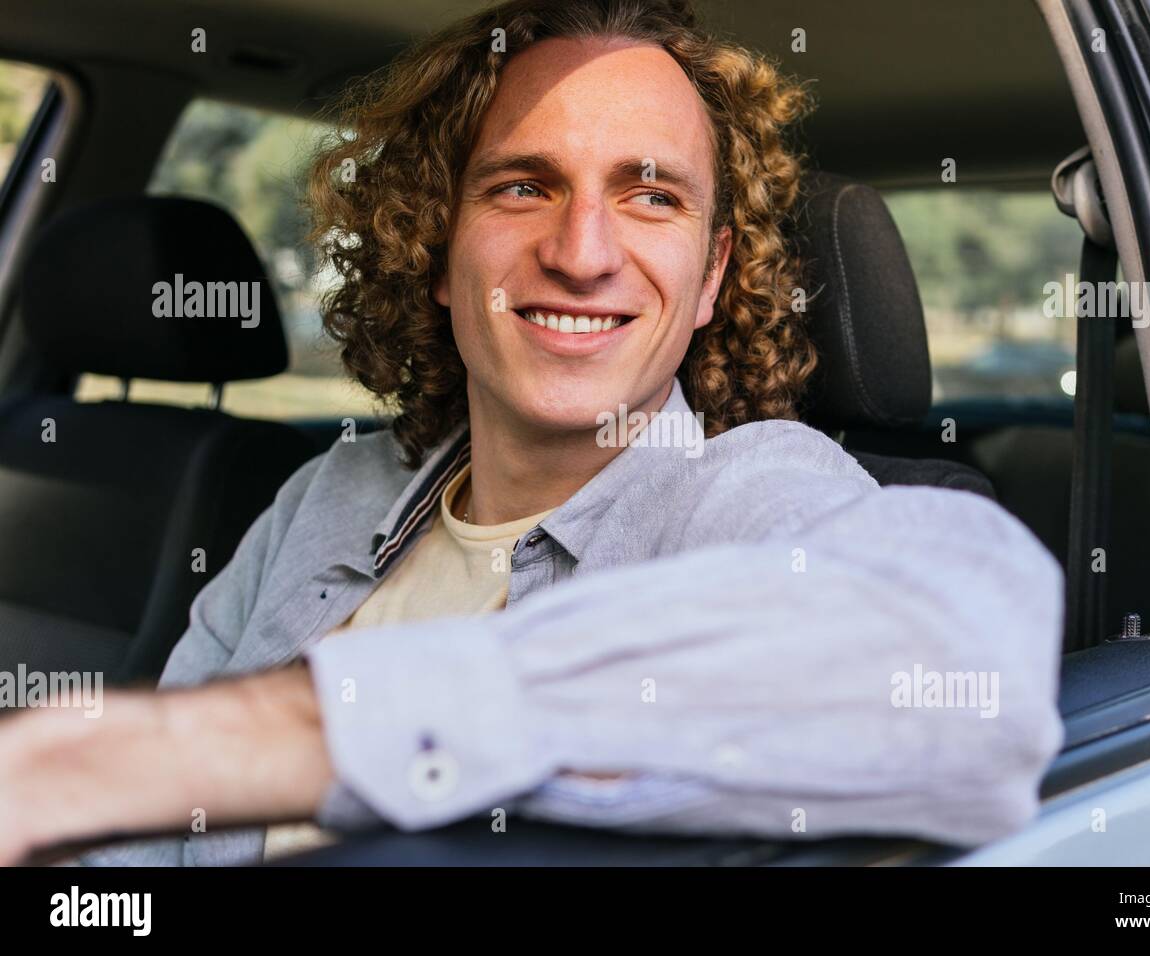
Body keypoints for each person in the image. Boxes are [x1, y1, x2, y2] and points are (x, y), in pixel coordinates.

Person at [0, 0, 1063, 867]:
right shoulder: (327, 495)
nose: (583, 251)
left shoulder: (748, 496)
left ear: (711, 278)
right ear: (437, 244)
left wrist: (156, 752)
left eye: (649, 196)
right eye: (523, 185)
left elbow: (969, 656)